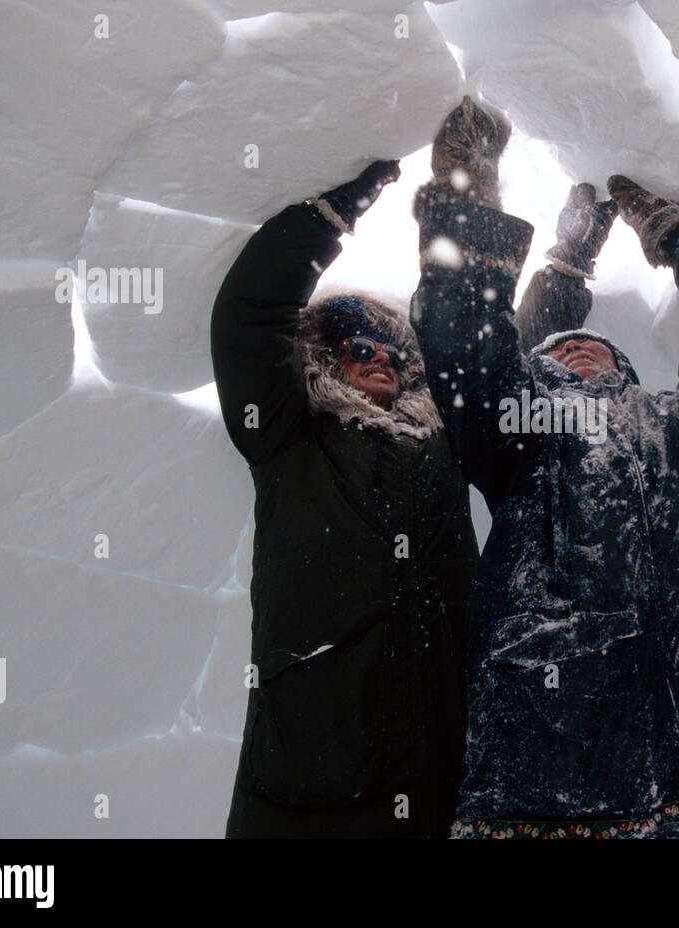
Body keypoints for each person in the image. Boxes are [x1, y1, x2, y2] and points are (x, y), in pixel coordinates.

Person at [411, 97, 679, 838]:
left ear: (630, 367)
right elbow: (466, 345)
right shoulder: (521, 432)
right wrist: (468, 196)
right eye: (554, 348)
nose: (574, 346)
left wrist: (677, 233)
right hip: (557, 770)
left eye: (595, 344)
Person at [211, 159, 478, 837]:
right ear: (325, 361)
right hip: (312, 776)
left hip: (443, 770)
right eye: (361, 347)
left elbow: (500, 356)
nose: (382, 358)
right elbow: (250, 317)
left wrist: (566, 266)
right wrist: (332, 213)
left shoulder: (444, 444)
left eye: (394, 353)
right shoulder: (285, 435)